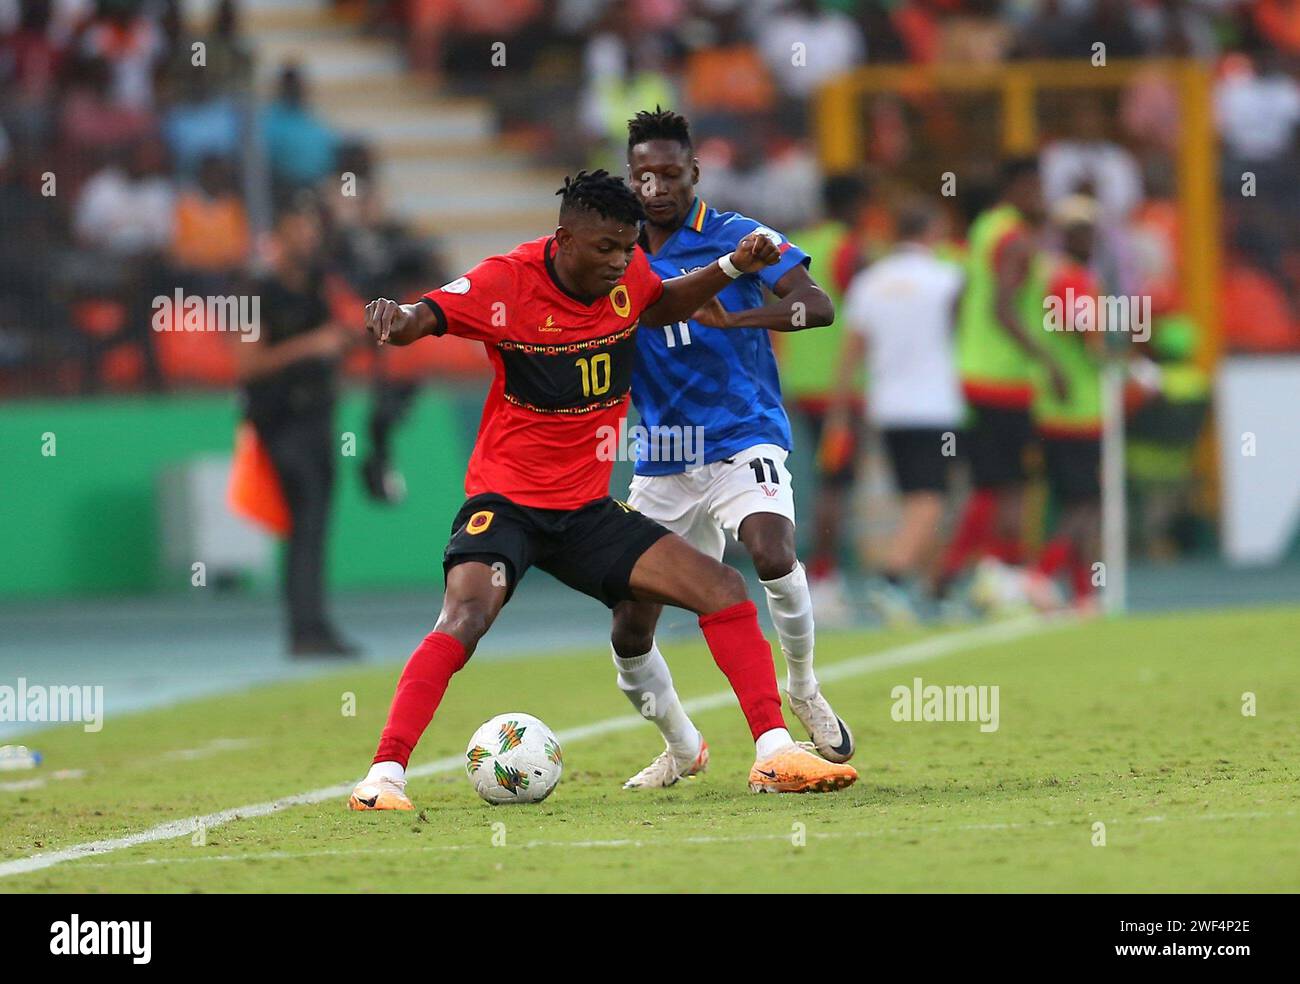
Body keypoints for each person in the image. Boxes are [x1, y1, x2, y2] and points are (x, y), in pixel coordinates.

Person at [349, 171, 858, 811]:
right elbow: (423, 317)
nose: (621, 262)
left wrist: (728, 266)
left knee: (723, 588)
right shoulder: (504, 281)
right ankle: (384, 776)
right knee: (467, 615)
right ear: (564, 239)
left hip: (587, 511)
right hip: (506, 503)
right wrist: (394, 319)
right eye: (606, 249)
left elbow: (662, 303)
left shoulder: (629, 278)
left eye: (627, 248)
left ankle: (774, 751)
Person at [605, 108, 854, 791]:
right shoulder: (616, 250)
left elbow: (818, 305)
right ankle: (683, 746)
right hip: (661, 456)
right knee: (630, 631)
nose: (654, 186)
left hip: (742, 433)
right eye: (642, 175)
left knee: (772, 552)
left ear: (695, 173)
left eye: (668, 173)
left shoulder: (741, 235)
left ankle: (801, 687)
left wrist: (740, 315)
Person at [234, 196, 359, 658]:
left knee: (313, 526)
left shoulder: (318, 288)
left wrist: (341, 342)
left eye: (312, 231)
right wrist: (312, 345)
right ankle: (306, 629)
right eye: (298, 232)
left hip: (317, 419)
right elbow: (246, 363)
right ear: (279, 238)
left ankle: (312, 626)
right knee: (305, 522)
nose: (308, 240)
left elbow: (336, 340)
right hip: (280, 424)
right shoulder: (256, 292)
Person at [834, 199, 965, 625]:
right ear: (931, 233)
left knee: (915, 497)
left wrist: (839, 411)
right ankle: (889, 581)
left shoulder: (870, 282)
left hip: (887, 404)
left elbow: (851, 351)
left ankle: (937, 591)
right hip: (934, 405)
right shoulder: (948, 278)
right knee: (931, 499)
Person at [938, 157, 1063, 601]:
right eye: (1037, 187)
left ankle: (957, 570)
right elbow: (1003, 309)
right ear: (1022, 185)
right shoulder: (1014, 239)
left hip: (973, 371)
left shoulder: (984, 228)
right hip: (1006, 377)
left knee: (990, 479)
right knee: (1012, 481)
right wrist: (1049, 360)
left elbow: (961, 300)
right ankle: (1000, 570)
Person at [784, 173, 871, 623]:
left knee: (830, 481)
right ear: (855, 204)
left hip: (803, 380)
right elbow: (865, 312)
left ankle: (821, 577)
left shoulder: (797, 243)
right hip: (842, 386)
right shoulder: (849, 248)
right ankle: (822, 578)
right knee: (838, 483)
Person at [1023, 195, 1106, 612]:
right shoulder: (1071, 277)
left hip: (1064, 407)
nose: (1088, 237)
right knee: (1085, 501)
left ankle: (1082, 591)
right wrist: (1112, 352)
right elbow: (1083, 328)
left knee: (1078, 500)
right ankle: (1043, 574)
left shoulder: (1057, 274)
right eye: (1080, 230)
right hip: (1075, 409)